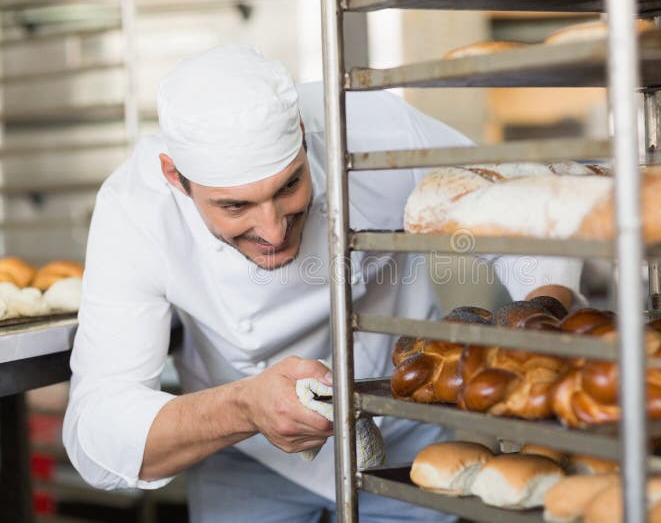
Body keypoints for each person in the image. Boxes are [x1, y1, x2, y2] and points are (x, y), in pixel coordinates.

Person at [63, 45, 582, 522]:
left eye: (289, 186)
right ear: (176, 178)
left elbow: (527, 222)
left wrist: (538, 328)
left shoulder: (377, 133)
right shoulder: (135, 210)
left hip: (403, 429)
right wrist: (242, 407)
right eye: (234, 206)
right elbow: (97, 432)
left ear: (304, 136)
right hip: (245, 457)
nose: (273, 230)